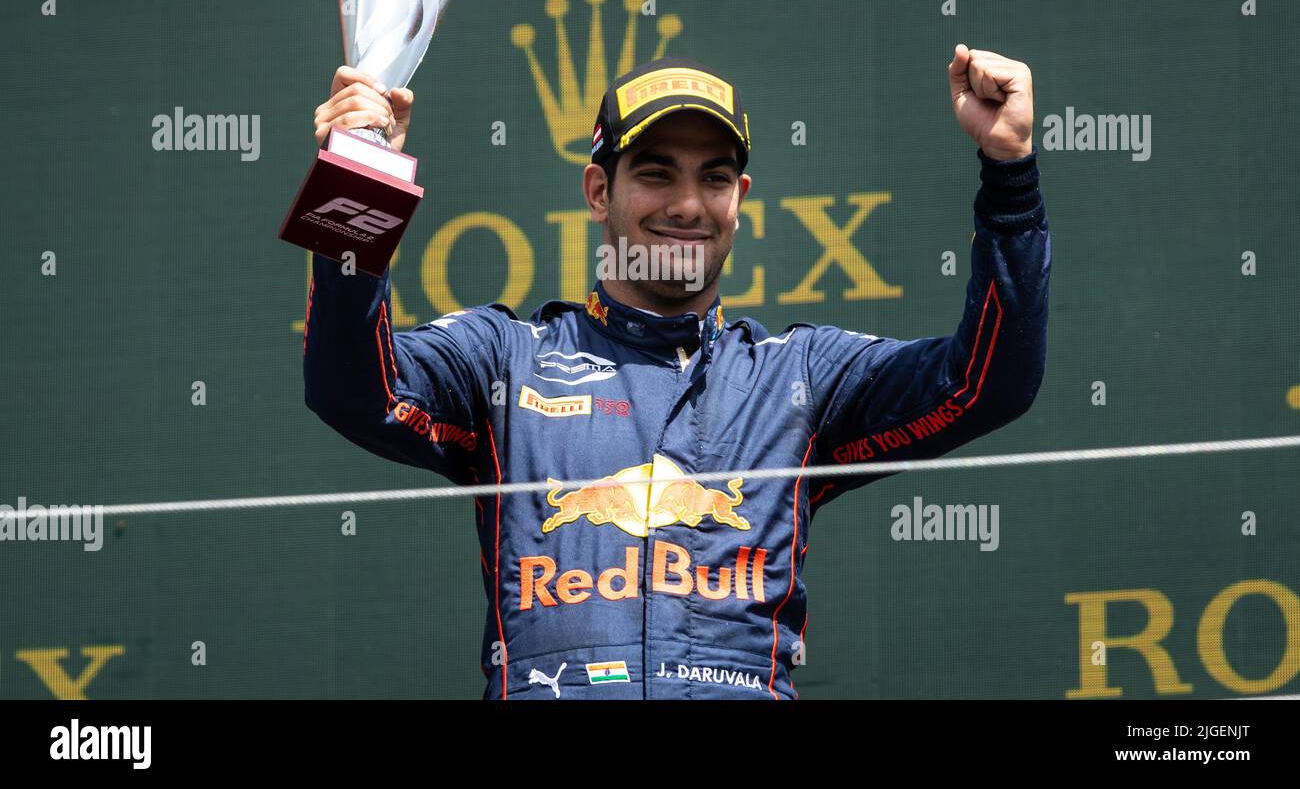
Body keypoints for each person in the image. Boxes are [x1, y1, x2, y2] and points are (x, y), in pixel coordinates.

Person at [302, 48, 1050, 699]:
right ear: (600, 192)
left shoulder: (798, 378)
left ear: (740, 201)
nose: (689, 205)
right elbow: (354, 388)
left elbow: (987, 382)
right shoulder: (505, 358)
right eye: (657, 174)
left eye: (714, 179)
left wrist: (1010, 171)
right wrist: (358, 180)